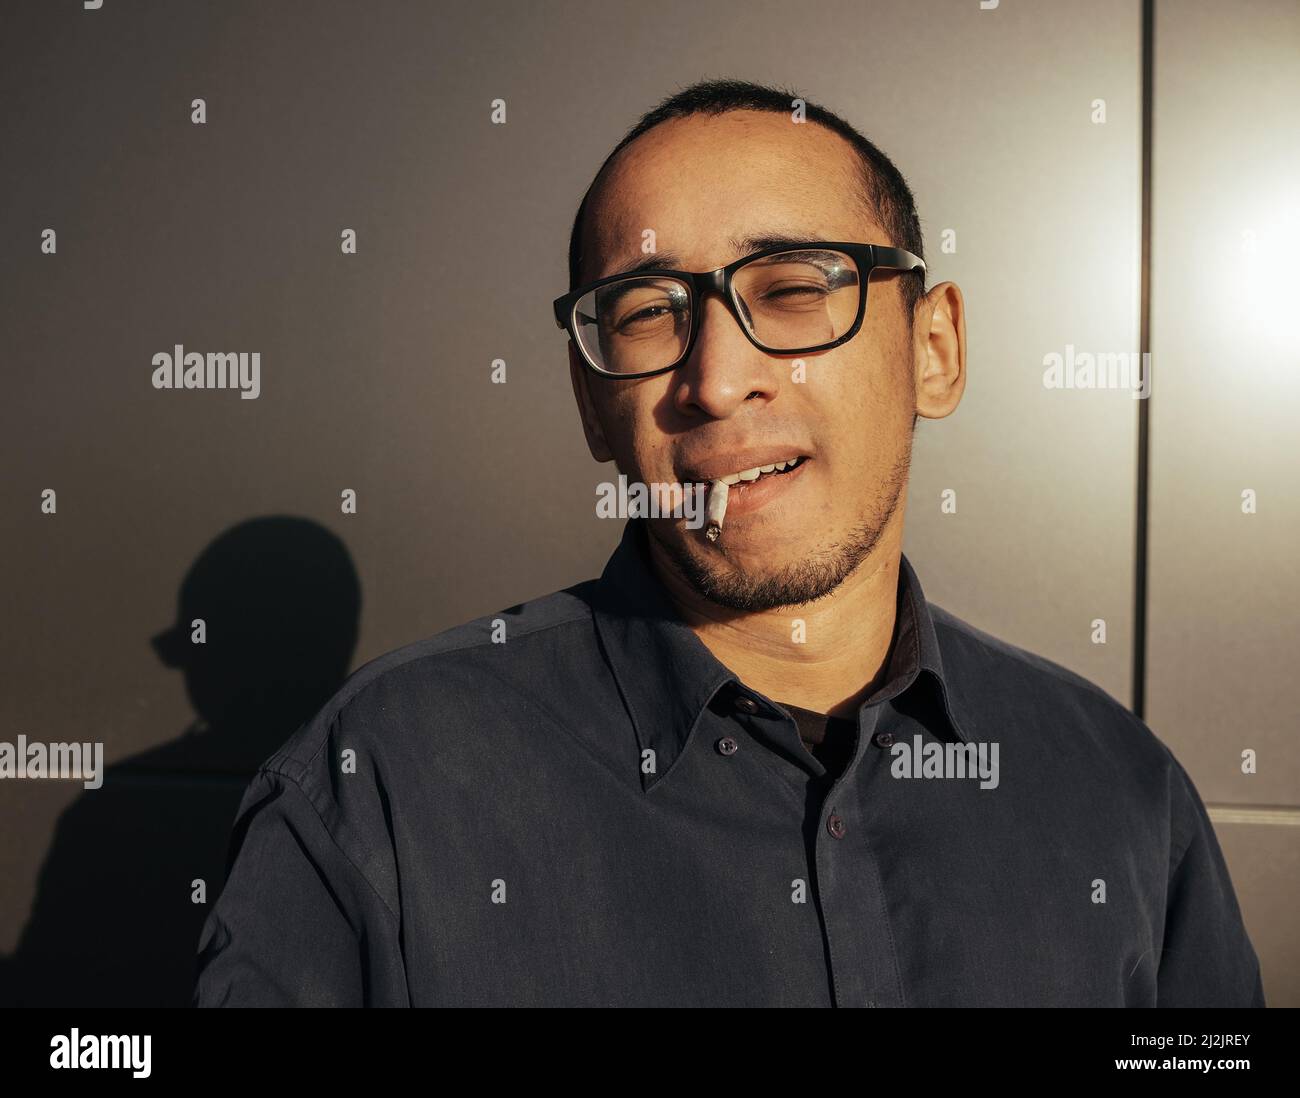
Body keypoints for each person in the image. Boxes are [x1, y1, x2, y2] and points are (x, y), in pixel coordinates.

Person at [194, 79, 1264, 1007]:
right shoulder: (380, 783)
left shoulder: (1116, 790)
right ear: (587, 397)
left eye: (793, 289)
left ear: (932, 350)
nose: (714, 378)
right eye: (648, 313)